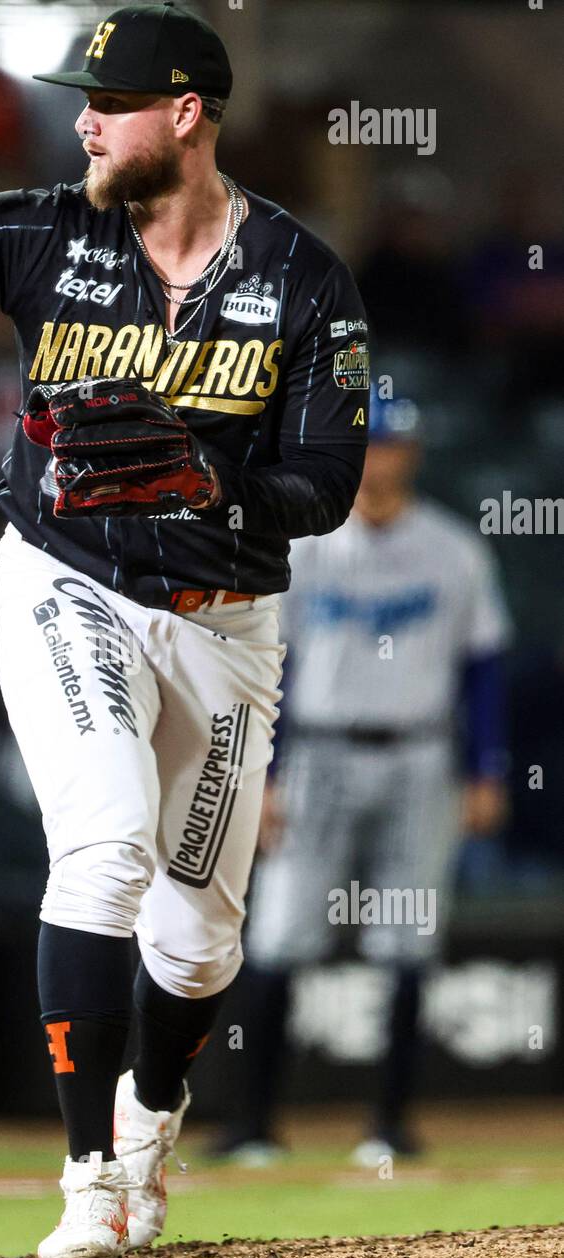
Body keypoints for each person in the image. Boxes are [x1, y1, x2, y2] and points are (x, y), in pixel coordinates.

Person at [0, 3, 369, 1258]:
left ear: (185, 115)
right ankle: (86, 1179)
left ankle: (150, 1117)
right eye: (81, 99)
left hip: (227, 622)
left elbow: (327, 482)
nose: (84, 121)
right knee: (106, 842)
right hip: (69, 582)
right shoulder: (40, 229)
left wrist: (214, 487)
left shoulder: (302, 276)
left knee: (199, 936)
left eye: (106, 102)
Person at [215, 388, 511, 1167]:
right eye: (372, 444)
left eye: (395, 444)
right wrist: (264, 772)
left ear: (414, 453)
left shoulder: (454, 549)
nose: (383, 458)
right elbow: (269, 661)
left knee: (408, 940)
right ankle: (252, 1125)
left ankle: (389, 1126)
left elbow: (482, 668)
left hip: (420, 756)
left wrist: (487, 768)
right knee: (278, 933)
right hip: (317, 755)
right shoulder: (305, 543)